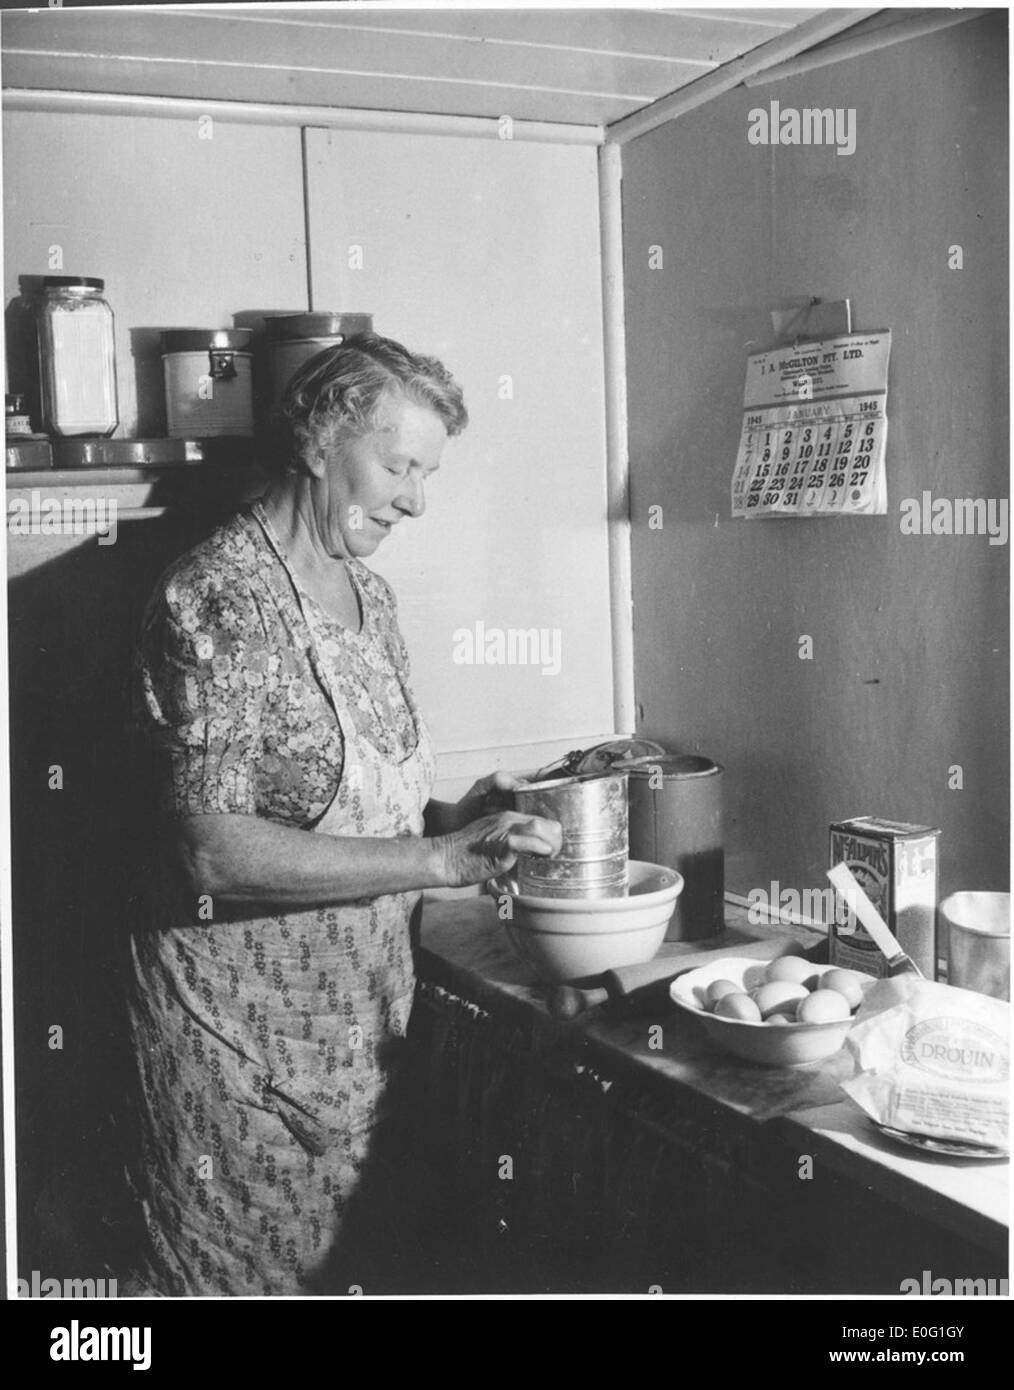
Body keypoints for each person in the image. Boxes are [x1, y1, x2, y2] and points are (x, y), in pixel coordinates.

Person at [126, 332, 561, 1295]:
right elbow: (210, 850)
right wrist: (443, 860)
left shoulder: (371, 596)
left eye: (426, 472)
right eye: (398, 465)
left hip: (360, 1038)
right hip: (235, 1058)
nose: (415, 498)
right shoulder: (218, 599)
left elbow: (365, 807)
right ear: (320, 442)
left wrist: (464, 815)